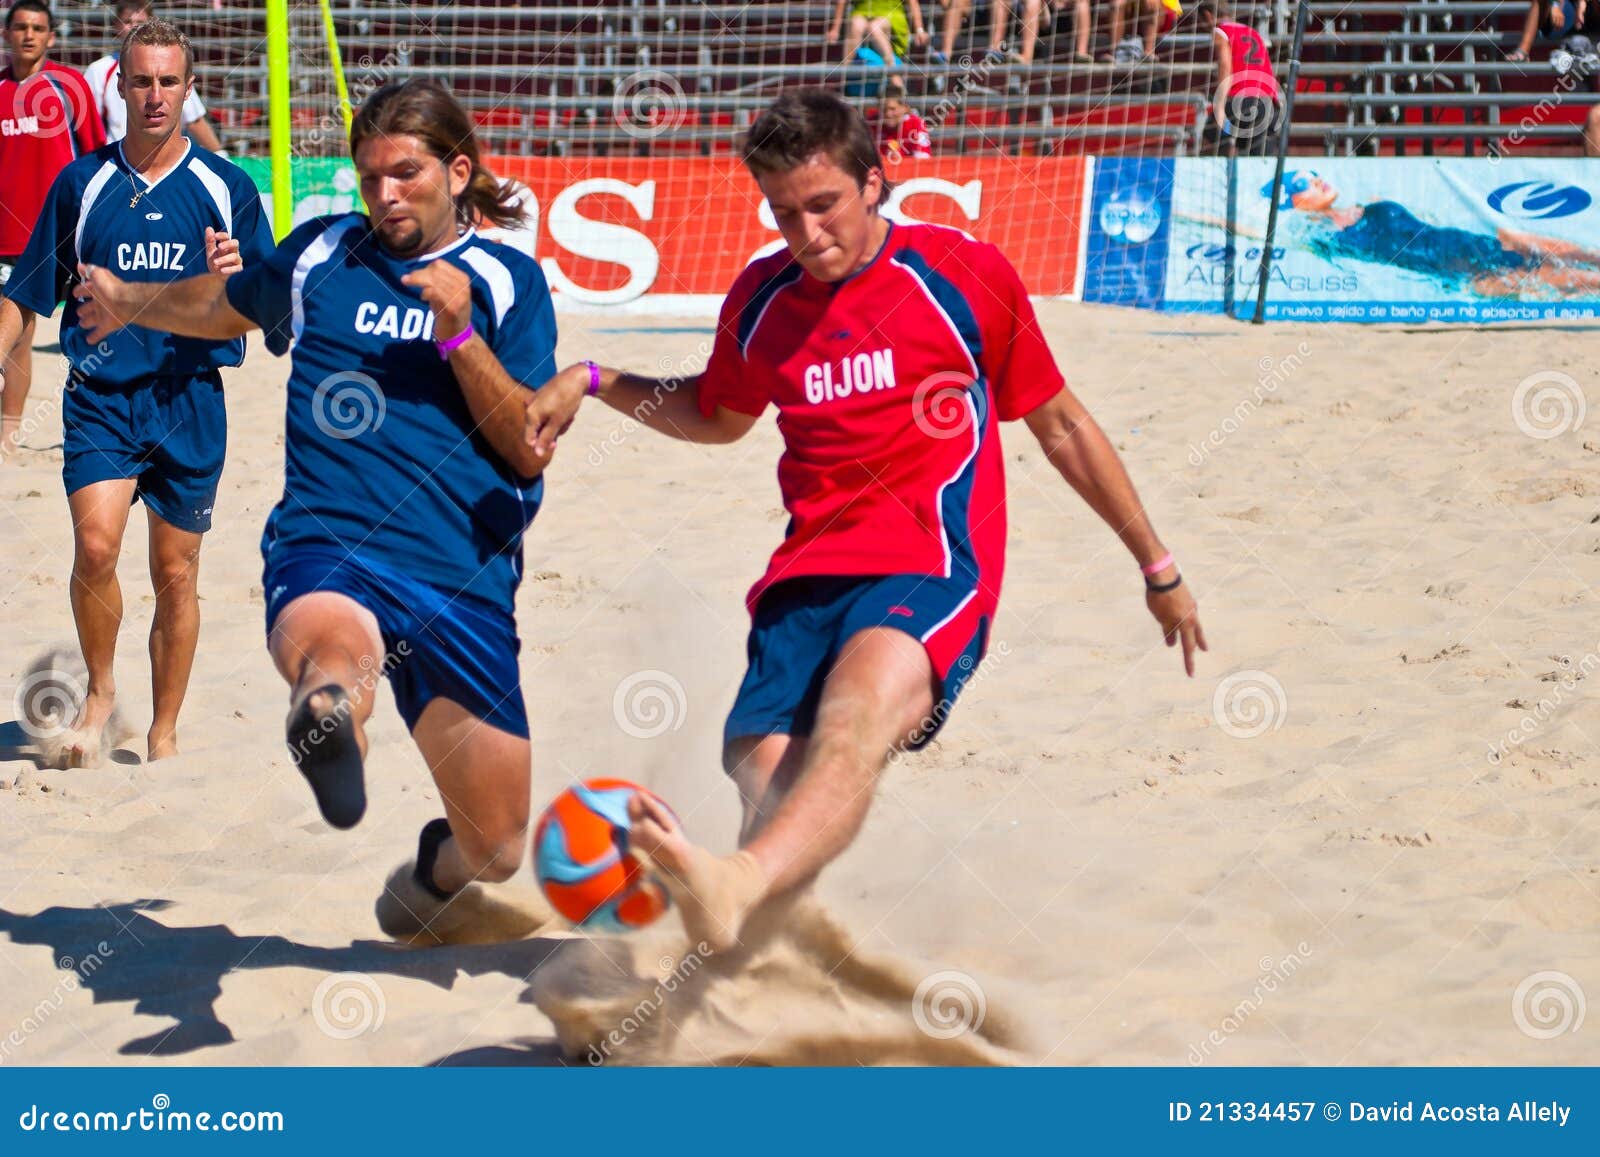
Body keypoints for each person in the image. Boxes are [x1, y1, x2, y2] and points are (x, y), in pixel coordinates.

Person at [523, 89, 1205, 954]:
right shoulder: (763, 300)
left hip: (931, 561)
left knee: (850, 723)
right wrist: (591, 376)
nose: (806, 234)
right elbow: (716, 416)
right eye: (783, 214)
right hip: (806, 573)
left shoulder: (962, 274)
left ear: (874, 181)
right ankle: (755, 967)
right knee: (761, 777)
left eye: (823, 206)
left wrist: (1159, 568)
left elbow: (1061, 423)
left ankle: (733, 892)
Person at [73, 77, 561, 946]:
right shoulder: (322, 255)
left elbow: (526, 445)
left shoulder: (505, 281)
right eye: (369, 176)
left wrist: (456, 333)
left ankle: (430, 873)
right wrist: (129, 297)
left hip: (462, 575)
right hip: (331, 541)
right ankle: (329, 718)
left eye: (405, 174)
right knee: (338, 659)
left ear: (457, 171)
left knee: (495, 848)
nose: (384, 195)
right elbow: (225, 302)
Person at [0, 18, 266, 766]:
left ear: (188, 88)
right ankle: (101, 690)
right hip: (101, 398)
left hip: (190, 400)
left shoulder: (227, 187)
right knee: (94, 545)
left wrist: (238, 273)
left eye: (169, 82)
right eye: (141, 81)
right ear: (120, 85)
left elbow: (270, 308)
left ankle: (164, 730)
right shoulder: (81, 184)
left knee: (176, 574)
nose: (155, 96)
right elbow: (26, 294)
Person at [0, 0, 105, 459]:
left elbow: (97, 156)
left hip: (61, 234)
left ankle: (97, 428)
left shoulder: (69, 87)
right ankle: (8, 433)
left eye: (37, 28)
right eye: (20, 26)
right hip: (5, 235)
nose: (28, 35)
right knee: (16, 337)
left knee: (90, 334)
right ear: (6, 34)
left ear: (51, 37)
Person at [83, 0, 224, 151]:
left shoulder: (170, 64)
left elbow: (194, 120)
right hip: (119, 160)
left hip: (168, 158)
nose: (134, 27)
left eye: (140, 22)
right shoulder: (98, 70)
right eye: (128, 21)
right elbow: (88, 125)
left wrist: (221, 155)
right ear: (116, 26)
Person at [1197, 0, 1281, 155]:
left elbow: (1225, 66)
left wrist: (1219, 106)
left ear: (1208, 16)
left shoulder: (1220, 31)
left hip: (1243, 101)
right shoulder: (1251, 31)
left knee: (1209, 134)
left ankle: (1221, 169)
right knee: (1257, 157)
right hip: (1269, 104)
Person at [829, 0, 928, 67]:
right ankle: (846, 73)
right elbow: (841, 1)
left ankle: (893, 73)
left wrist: (919, 29)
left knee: (875, 28)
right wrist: (835, 29)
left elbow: (912, 2)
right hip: (862, 13)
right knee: (856, 24)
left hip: (891, 15)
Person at [879, 76, 932, 158]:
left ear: (905, 108)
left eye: (893, 109)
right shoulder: (874, 123)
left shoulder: (916, 124)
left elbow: (923, 158)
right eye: (884, 109)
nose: (888, 114)